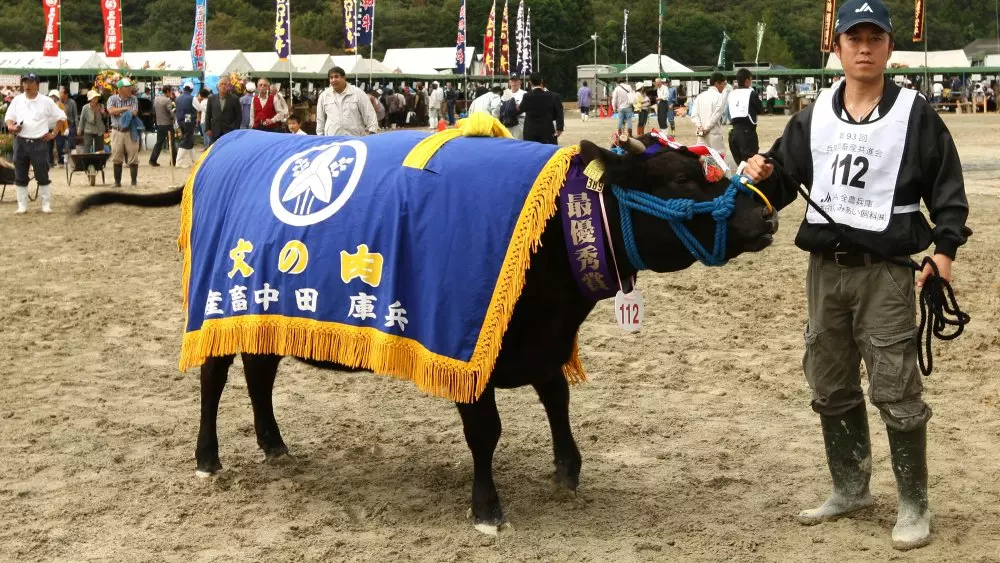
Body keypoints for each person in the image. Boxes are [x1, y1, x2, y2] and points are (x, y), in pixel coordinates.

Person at [743, 0, 970, 551]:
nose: (864, 47)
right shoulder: (813, 114)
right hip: (825, 273)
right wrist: (760, 173)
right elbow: (778, 183)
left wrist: (944, 253)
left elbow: (948, 192)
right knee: (830, 379)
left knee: (895, 384)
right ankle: (850, 487)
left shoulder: (916, 114)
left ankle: (914, 503)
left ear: (890, 46)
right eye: (853, 38)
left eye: (874, 38)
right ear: (837, 47)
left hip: (886, 274)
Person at [3, 73, 66, 214]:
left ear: (37, 85)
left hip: (39, 142)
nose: (26, 85)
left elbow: (61, 117)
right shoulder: (17, 100)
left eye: (30, 82)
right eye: (24, 82)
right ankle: (22, 205)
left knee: (42, 173)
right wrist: (12, 127)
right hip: (20, 141)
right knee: (19, 173)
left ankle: (46, 204)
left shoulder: (46, 101)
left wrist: (54, 133)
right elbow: (9, 118)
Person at [315, 66, 378, 137]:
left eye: (336, 77)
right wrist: (320, 137)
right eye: (331, 78)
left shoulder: (358, 93)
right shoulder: (324, 96)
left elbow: (369, 114)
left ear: (344, 78)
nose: (333, 80)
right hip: (332, 139)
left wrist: (372, 133)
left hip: (355, 138)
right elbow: (320, 119)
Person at [106, 78, 142, 187]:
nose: (130, 89)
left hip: (130, 131)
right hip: (117, 131)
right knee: (116, 156)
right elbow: (111, 111)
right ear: (120, 89)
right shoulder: (112, 98)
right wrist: (125, 108)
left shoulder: (134, 99)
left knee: (133, 156)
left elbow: (134, 112)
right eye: (127, 87)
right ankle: (117, 182)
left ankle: (134, 182)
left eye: (130, 87)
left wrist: (119, 110)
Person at [727, 68, 764, 165]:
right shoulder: (751, 93)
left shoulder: (731, 94)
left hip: (733, 133)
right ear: (747, 81)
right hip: (747, 133)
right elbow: (760, 109)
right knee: (751, 164)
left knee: (740, 165)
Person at [690, 72, 728, 156]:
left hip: (701, 133)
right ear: (717, 83)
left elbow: (694, 115)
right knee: (717, 158)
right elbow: (716, 115)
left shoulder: (700, 96)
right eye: (723, 84)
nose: (724, 87)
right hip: (713, 132)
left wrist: (700, 126)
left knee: (703, 158)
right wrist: (706, 128)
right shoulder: (719, 97)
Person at [519, 74, 563, 145]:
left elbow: (521, 109)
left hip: (530, 131)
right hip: (547, 130)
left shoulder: (527, 96)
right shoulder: (553, 96)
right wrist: (560, 127)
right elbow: (559, 112)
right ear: (541, 81)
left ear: (530, 83)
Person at [205, 79, 242, 145]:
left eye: (225, 84)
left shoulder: (234, 99)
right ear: (218, 86)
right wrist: (207, 128)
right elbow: (208, 114)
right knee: (215, 150)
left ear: (228, 86)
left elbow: (239, 116)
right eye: (221, 84)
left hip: (229, 130)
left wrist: (236, 129)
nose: (223, 86)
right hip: (215, 130)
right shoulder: (211, 98)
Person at [149, 85, 176, 166]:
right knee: (171, 143)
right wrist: (174, 114)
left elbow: (154, 110)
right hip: (167, 124)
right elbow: (170, 112)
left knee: (159, 143)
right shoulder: (167, 100)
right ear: (167, 91)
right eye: (171, 91)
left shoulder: (156, 99)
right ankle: (173, 161)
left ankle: (152, 160)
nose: (171, 93)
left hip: (159, 124)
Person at [175, 82, 197, 167]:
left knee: (189, 139)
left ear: (184, 88)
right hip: (188, 119)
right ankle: (178, 162)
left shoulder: (178, 98)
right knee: (186, 138)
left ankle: (194, 161)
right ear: (191, 89)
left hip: (180, 119)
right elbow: (199, 108)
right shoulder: (192, 98)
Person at [501, 75, 527, 139]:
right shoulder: (505, 93)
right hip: (506, 122)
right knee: (507, 143)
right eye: (512, 81)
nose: (514, 83)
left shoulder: (524, 93)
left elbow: (524, 108)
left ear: (520, 82)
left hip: (519, 122)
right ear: (509, 82)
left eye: (516, 81)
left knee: (518, 143)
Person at [59, 85, 78, 162]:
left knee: (72, 143)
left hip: (70, 125)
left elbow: (75, 115)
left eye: (61, 92)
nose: (60, 94)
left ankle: (75, 160)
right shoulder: (58, 103)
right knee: (62, 144)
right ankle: (64, 161)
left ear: (66, 94)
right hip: (60, 125)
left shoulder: (72, 102)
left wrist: (77, 127)